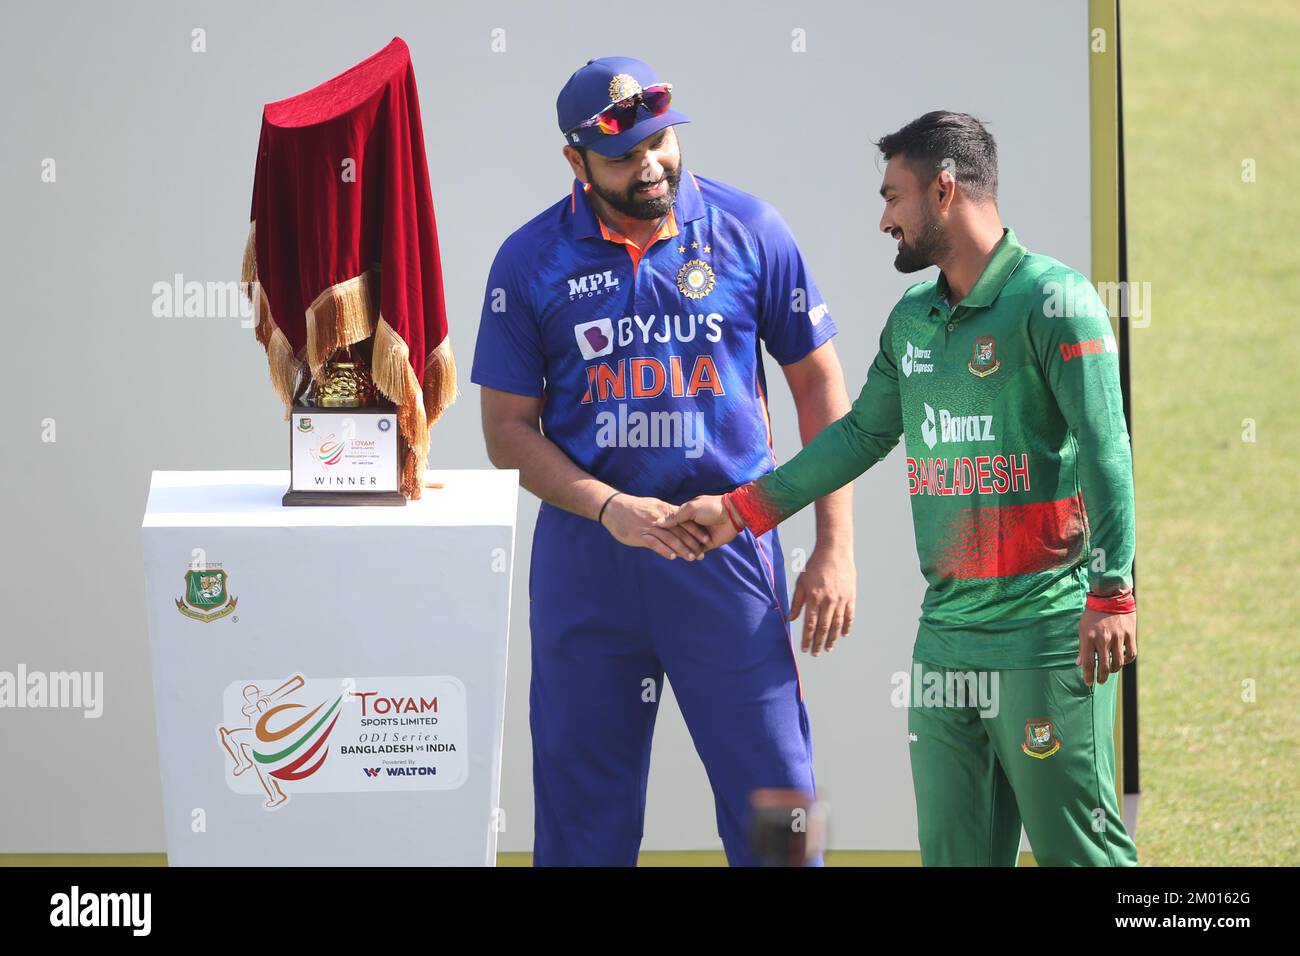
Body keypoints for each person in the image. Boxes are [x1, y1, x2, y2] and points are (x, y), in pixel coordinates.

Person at [661, 111, 1140, 866]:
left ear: (944, 189)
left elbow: (1108, 451)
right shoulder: (913, 321)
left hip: (1044, 635)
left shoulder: (1056, 300)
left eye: (894, 196)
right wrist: (743, 510)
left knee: (1080, 853)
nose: (884, 219)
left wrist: (1112, 593)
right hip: (946, 641)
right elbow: (857, 436)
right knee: (954, 857)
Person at [470, 56, 854, 866]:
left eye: (662, 144)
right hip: (591, 556)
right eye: (623, 157)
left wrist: (834, 547)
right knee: (583, 813)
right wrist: (611, 507)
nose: (651, 167)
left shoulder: (751, 229)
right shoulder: (528, 260)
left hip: (727, 547)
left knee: (779, 799)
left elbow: (820, 387)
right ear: (574, 161)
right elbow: (506, 431)